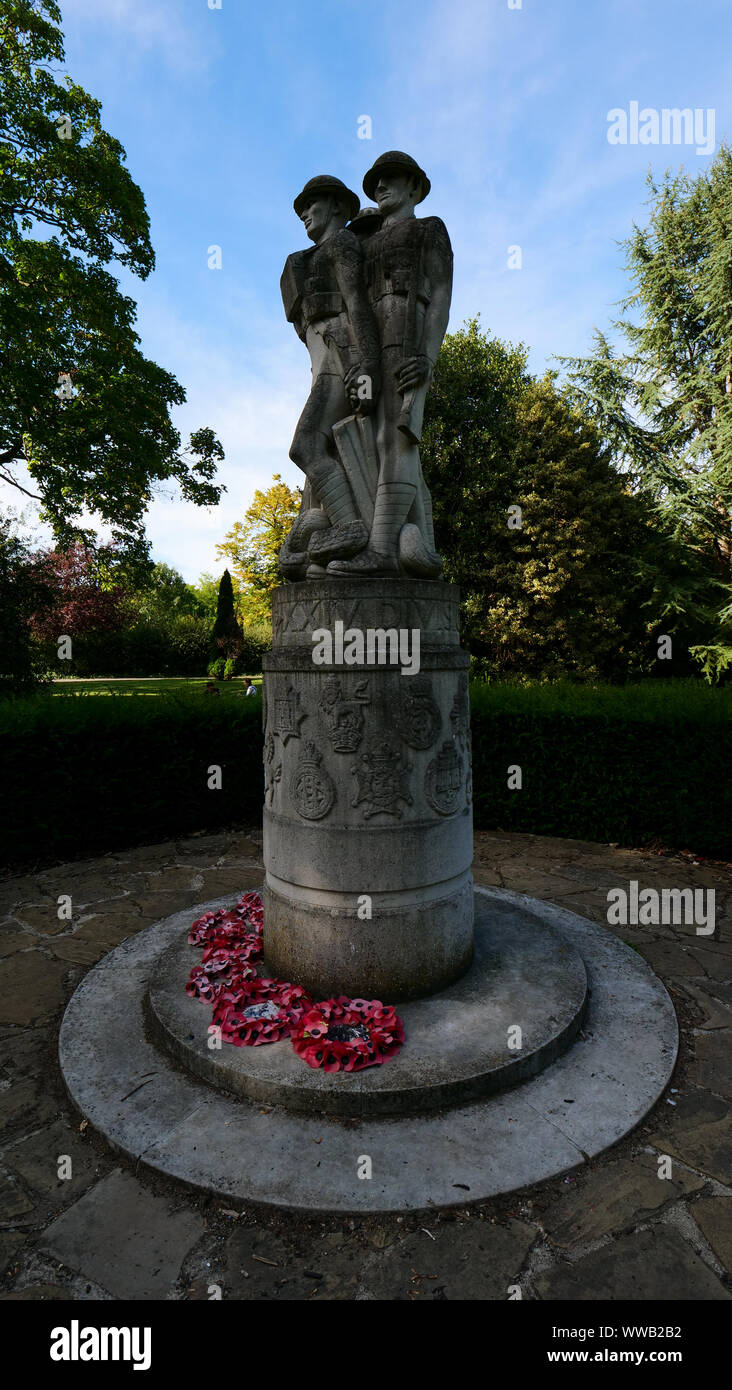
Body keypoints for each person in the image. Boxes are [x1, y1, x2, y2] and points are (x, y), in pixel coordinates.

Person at [328, 152, 452, 577]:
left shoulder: (429, 229)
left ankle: (382, 551)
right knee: (373, 439)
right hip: (371, 346)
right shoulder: (366, 242)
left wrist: (427, 357)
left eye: (390, 178)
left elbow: (440, 298)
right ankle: (420, 548)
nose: (380, 186)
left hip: (406, 339)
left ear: (414, 186)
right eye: (375, 180)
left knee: (397, 437)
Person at [279, 175, 381, 575]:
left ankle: (350, 527)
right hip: (321, 359)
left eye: (312, 203)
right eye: (302, 207)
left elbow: (357, 303)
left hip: (341, 353)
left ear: (338, 206)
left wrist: (368, 365)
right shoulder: (303, 259)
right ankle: (338, 528)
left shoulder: (341, 243)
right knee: (320, 448)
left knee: (305, 445)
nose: (304, 212)